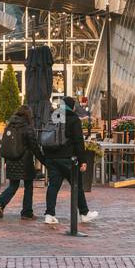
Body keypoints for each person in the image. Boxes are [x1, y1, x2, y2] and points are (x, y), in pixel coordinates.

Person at [42, 95, 99, 225]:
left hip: (52, 159)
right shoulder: (74, 119)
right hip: (68, 159)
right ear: (72, 106)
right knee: (76, 185)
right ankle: (84, 213)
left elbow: (46, 136)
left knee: (53, 186)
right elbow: (79, 142)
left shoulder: (53, 117)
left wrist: (47, 157)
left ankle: (49, 214)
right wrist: (83, 160)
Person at [0, 106, 45, 219]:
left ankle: (0, 201)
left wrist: (7, 160)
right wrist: (44, 160)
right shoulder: (27, 128)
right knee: (28, 186)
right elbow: (34, 147)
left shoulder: (10, 126)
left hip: (12, 161)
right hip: (25, 162)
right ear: (28, 115)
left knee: (13, 185)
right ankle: (27, 212)